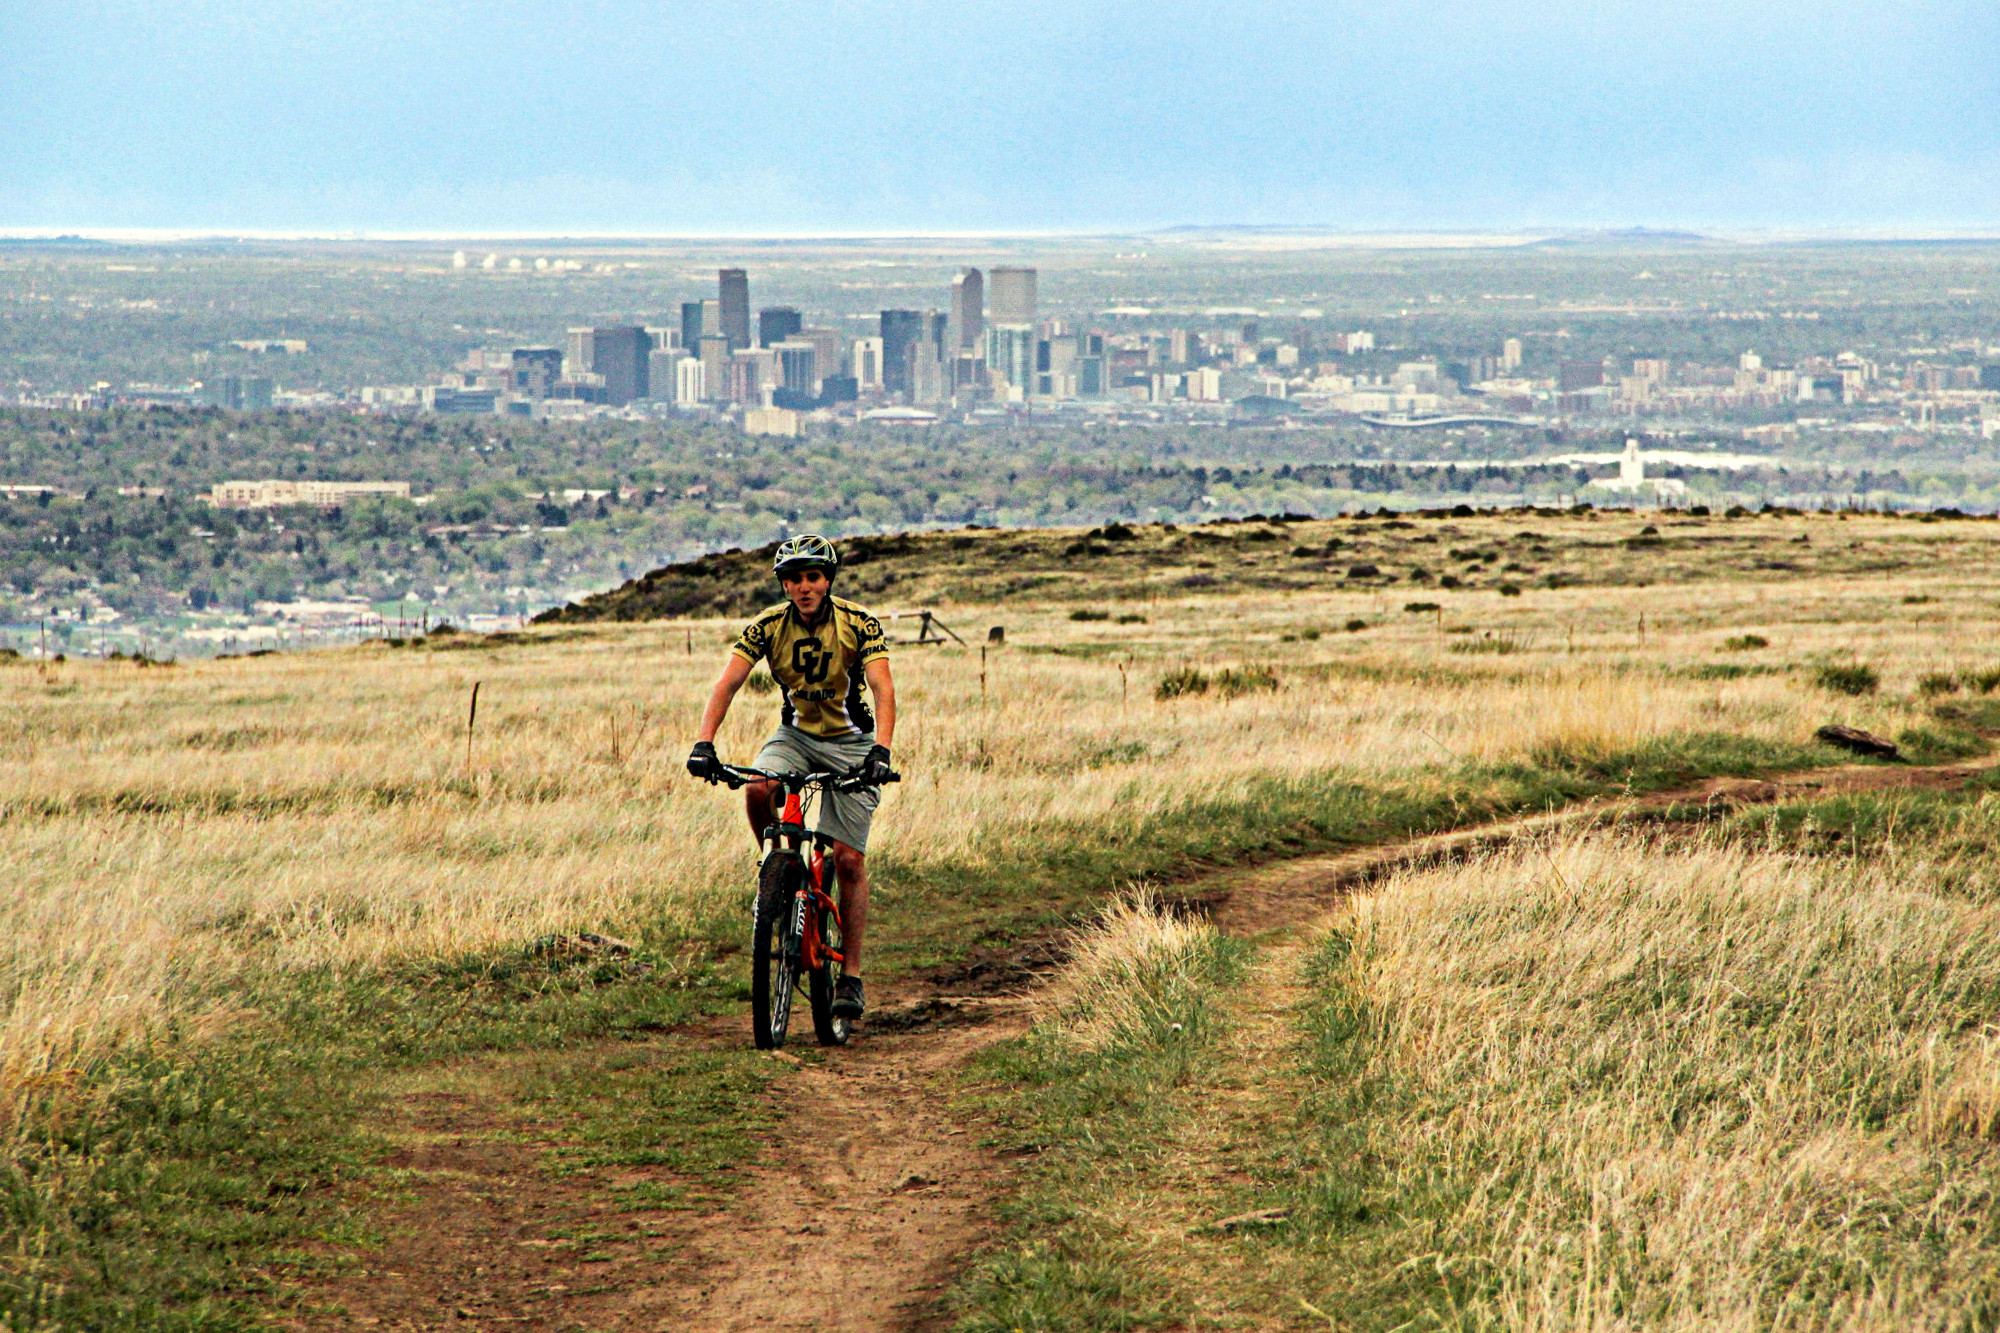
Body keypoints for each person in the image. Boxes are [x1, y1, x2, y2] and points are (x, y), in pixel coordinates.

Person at [687, 533, 895, 1020]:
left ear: (828, 581)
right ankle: (777, 872)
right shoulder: (767, 626)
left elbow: (883, 688)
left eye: (813, 577)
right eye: (794, 579)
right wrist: (703, 742)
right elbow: (728, 683)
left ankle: (852, 977)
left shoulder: (859, 623)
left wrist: (881, 750)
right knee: (758, 786)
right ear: (783, 584)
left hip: (852, 742)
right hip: (795, 737)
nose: (804, 587)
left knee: (847, 860)